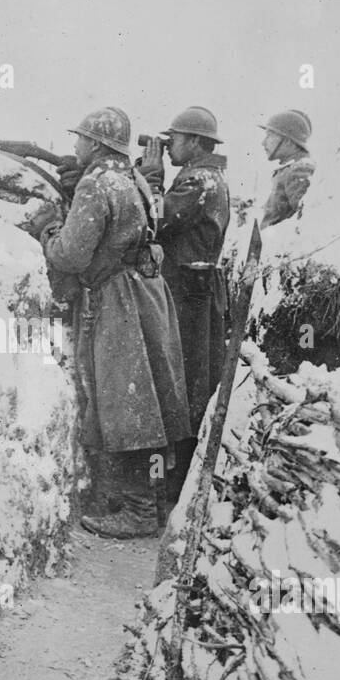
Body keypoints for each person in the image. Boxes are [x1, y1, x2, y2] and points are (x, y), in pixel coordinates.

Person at [28, 106, 192, 538]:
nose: (75, 146)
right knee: (149, 401)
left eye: (80, 140)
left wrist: (47, 230)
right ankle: (151, 501)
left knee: (127, 403)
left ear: (97, 145)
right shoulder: (133, 178)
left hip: (119, 301)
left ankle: (137, 511)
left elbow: (71, 255)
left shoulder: (97, 184)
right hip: (146, 294)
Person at [135, 106, 231, 500]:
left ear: (194, 142)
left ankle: (170, 492)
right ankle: (175, 487)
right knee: (188, 386)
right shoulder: (205, 177)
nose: (169, 146)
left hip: (190, 298)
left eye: (173, 140)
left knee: (181, 388)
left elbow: (154, 219)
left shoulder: (199, 181)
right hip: (194, 293)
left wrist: (151, 177)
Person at [258, 109, 315, 228]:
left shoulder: (300, 170)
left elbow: (305, 221)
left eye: (269, 136)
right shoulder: (290, 170)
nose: (263, 143)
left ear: (288, 141)